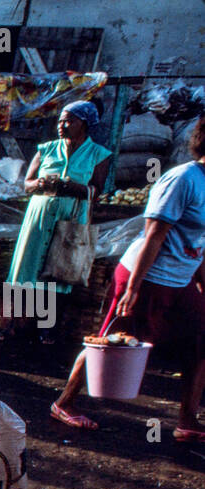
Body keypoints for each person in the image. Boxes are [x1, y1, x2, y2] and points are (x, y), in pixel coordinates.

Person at [51, 117, 205, 440]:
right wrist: (133, 288)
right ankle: (64, 402)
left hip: (181, 281)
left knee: (200, 344)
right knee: (112, 340)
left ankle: (187, 421)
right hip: (147, 276)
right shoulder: (184, 179)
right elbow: (154, 236)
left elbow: (200, 242)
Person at [4, 100, 112, 341]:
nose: (62, 125)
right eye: (61, 120)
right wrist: (41, 184)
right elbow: (27, 184)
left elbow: (96, 190)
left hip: (70, 217)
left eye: (69, 120)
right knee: (29, 269)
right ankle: (18, 325)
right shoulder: (47, 149)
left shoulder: (99, 154)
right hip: (40, 216)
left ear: (84, 124)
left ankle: (48, 329)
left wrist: (73, 187)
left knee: (59, 272)